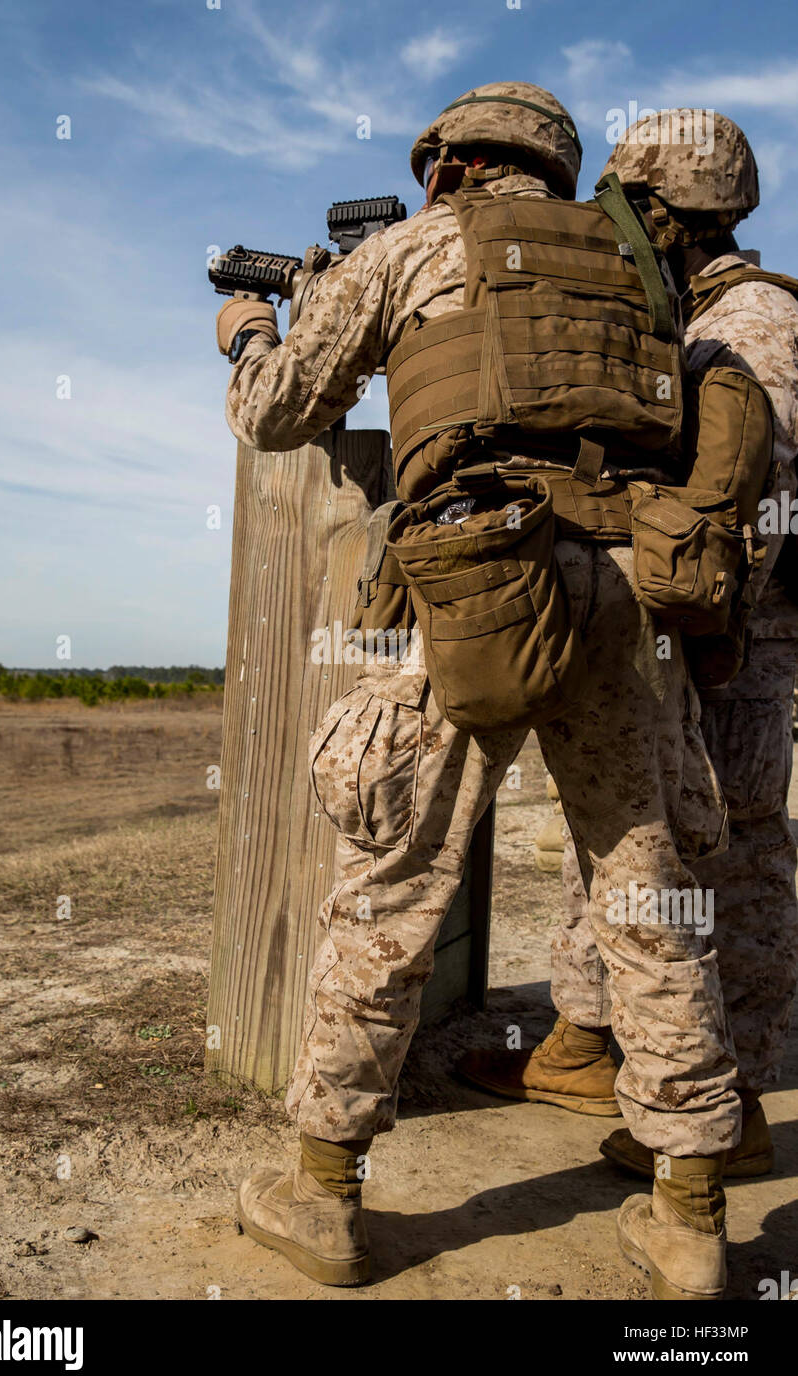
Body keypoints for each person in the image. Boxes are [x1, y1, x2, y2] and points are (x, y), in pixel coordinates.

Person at [217, 84, 740, 1299]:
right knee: (650, 887)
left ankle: (324, 1190)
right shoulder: (632, 265)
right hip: (628, 581)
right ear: (556, 176)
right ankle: (691, 1213)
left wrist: (252, 330)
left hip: (483, 577)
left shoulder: (411, 247)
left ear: (446, 169)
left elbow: (280, 410)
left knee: (391, 880)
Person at [460, 110, 798, 1198]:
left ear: (668, 216)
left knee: (726, 864)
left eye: (631, 213)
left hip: (734, 649)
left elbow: (746, 506)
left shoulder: (751, 324)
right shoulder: (697, 313)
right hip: (689, 633)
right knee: (627, 842)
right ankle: (585, 1043)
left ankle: (728, 1111)